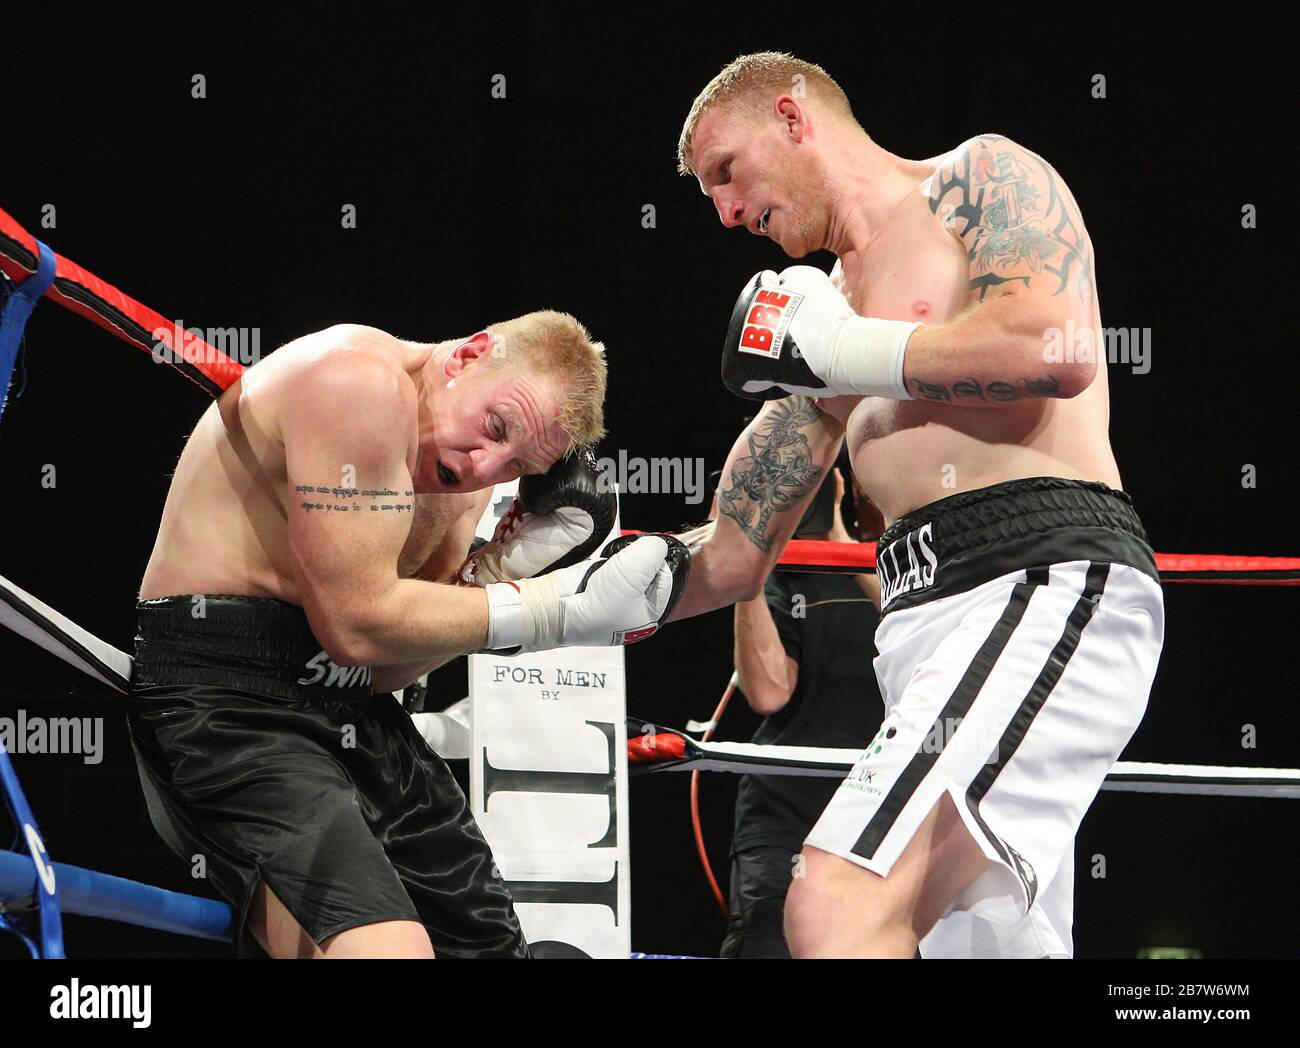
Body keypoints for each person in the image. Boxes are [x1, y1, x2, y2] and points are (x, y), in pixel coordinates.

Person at [669, 53, 1164, 958]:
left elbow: (1051, 347)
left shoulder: (974, 179)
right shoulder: (833, 308)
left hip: (1036, 572)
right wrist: (550, 601)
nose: (726, 211)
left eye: (725, 173)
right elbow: (738, 548)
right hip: (919, 621)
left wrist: (841, 346)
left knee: (835, 904)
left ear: (791, 116)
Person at [127, 316, 686, 958]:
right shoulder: (354, 383)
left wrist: (493, 574)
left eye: (516, 464)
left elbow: (384, 669)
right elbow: (357, 628)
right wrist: (550, 607)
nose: (486, 465)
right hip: (226, 699)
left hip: (353, 711)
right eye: (496, 427)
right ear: (468, 356)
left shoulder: (460, 478)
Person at [723, 466, 881, 958]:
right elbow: (769, 693)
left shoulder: (927, 573)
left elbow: (918, 632)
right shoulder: (791, 568)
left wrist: (838, 539)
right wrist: (745, 573)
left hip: (884, 814)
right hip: (785, 812)